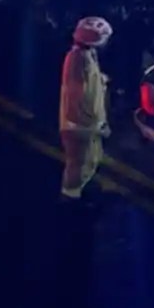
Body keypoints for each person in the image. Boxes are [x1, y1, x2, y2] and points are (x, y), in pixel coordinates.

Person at [59, 16, 113, 203]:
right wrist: (88, 126)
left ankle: (83, 188)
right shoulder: (77, 60)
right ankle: (70, 197)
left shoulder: (87, 57)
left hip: (88, 124)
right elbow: (76, 95)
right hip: (79, 126)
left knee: (92, 158)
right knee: (78, 163)